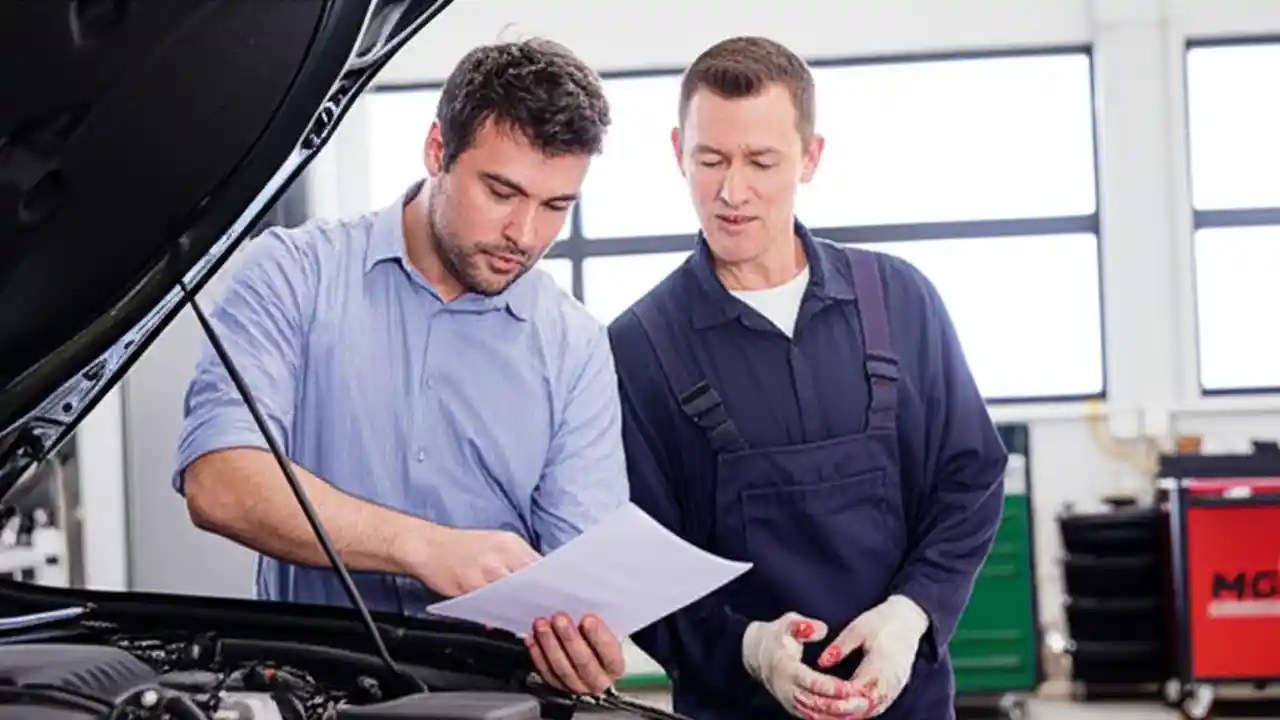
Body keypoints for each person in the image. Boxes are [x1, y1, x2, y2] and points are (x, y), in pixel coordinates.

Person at [174, 38, 628, 696]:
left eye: (556, 207)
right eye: (502, 192)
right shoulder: (292, 275)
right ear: (438, 151)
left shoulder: (575, 345)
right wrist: (429, 548)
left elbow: (581, 582)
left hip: (494, 701)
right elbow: (219, 482)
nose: (525, 235)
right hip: (306, 691)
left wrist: (582, 644)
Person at [607, 36, 1009, 719]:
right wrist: (750, 649)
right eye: (710, 160)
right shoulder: (637, 349)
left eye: (762, 161)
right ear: (678, 150)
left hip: (905, 704)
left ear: (811, 156)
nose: (732, 191)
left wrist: (912, 614)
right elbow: (643, 568)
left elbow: (969, 479)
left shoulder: (901, 301)